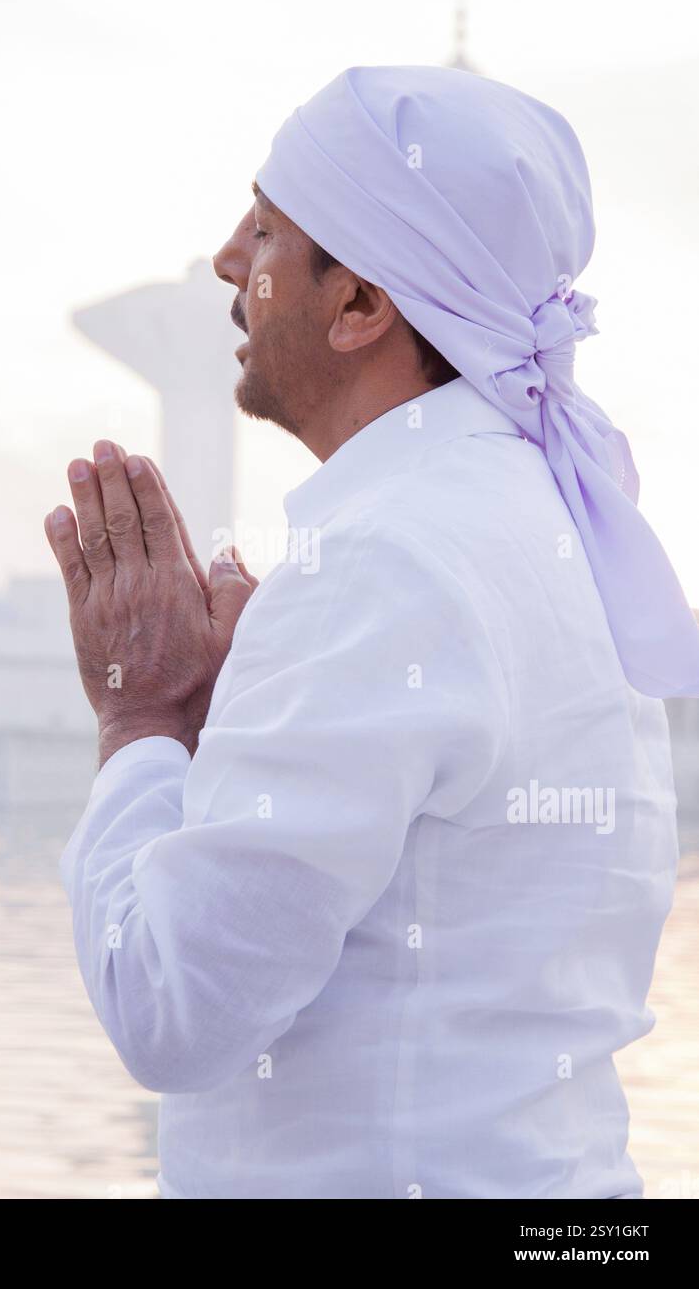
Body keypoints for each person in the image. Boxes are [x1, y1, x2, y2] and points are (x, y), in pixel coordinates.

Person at [45, 67, 699, 1199]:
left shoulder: (377, 563)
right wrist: (233, 717)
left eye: (264, 228)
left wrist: (139, 717)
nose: (223, 262)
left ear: (357, 306)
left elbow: (175, 1012)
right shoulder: (550, 525)